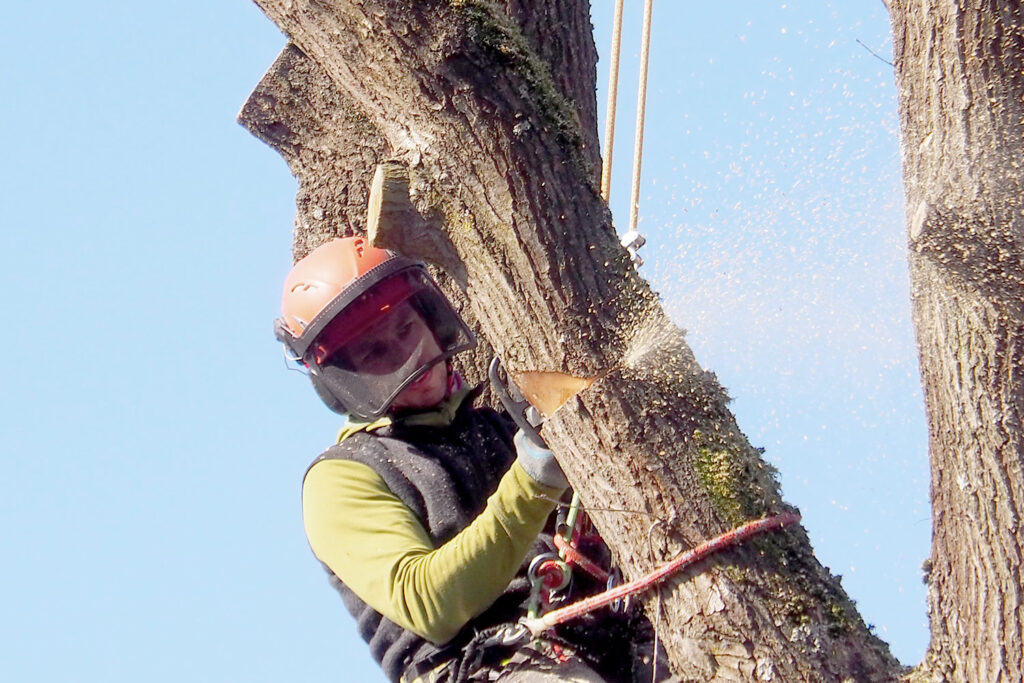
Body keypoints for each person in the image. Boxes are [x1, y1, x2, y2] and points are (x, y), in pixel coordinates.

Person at [276, 237, 661, 683]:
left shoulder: (499, 427)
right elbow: (428, 603)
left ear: (430, 316)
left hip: (613, 635)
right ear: (341, 381)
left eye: (405, 329)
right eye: (374, 353)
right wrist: (532, 481)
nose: (406, 355)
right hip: (488, 668)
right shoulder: (344, 478)